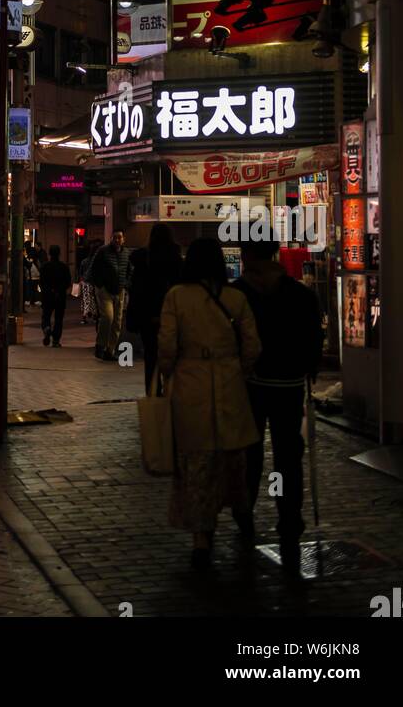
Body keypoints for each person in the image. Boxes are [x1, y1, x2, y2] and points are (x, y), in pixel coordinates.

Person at [158, 238, 261, 569]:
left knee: (197, 464)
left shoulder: (177, 296)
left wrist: (168, 374)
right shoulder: (236, 298)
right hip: (230, 385)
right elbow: (253, 347)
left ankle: (202, 538)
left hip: (191, 388)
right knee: (233, 459)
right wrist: (236, 369)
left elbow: (166, 347)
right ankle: (242, 512)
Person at [233, 237, 324, 556]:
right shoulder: (300, 294)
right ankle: (289, 518)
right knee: (288, 456)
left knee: (250, 453)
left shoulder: (239, 295)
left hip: (253, 385)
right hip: (289, 386)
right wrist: (308, 367)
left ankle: (244, 513)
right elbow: (314, 335)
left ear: (246, 256)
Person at [126, 224, 182, 391]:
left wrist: (134, 316)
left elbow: (135, 289)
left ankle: (152, 393)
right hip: (170, 315)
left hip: (147, 316)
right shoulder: (175, 260)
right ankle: (170, 392)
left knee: (151, 356)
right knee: (172, 354)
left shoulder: (142, 260)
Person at [90, 230, 131, 361]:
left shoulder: (126, 253)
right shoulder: (103, 251)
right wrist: (99, 285)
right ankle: (100, 346)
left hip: (120, 289)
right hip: (105, 289)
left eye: (120, 238)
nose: (117, 240)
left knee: (117, 321)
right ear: (111, 238)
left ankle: (110, 350)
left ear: (124, 239)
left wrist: (125, 283)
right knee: (108, 317)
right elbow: (93, 268)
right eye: (115, 238)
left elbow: (130, 270)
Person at [39, 245, 72, 346]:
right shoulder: (64, 267)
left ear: (49, 253)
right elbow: (68, 282)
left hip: (47, 295)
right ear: (59, 253)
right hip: (60, 295)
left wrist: (47, 290)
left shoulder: (45, 266)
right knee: (58, 318)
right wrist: (59, 289)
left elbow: (41, 282)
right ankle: (56, 340)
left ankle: (47, 328)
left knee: (46, 315)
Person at [79, 240, 101, 326]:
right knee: (94, 300)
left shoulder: (84, 261)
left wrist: (81, 281)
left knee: (86, 300)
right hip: (95, 283)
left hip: (85, 283)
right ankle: (95, 316)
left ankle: (84, 317)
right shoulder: (97, 261)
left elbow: (81, 272)